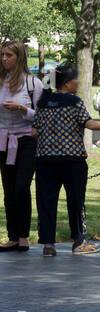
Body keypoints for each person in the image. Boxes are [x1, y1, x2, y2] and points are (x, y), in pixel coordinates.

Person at [33, 66, 100, 256]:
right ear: (67, 83)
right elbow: (89, 123)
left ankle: (48, 245)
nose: (78, 82)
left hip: (45, 160)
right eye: (76, 79)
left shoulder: (43, 102)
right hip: (72, 160)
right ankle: (78, 242)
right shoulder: (74, 101)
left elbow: (34, 131)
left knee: (46, 202)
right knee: (76, 201)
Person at [0, 41, 42, 252]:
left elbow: (43, 117)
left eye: (9, 55)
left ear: (19, 58)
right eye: (2, 55)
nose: (4, 59)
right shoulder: (0, 82)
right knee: (8, 190)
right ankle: (13, 236)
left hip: (26, 141)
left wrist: (22, 109)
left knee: (21, 187)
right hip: (3, 141)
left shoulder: (32, 83)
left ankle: (24, 235)